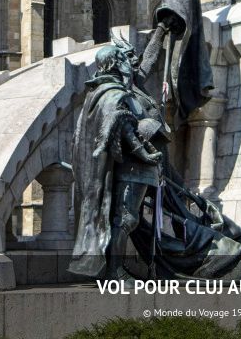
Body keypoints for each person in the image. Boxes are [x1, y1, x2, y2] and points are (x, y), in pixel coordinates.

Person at [69, 36, 169, 279]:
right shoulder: (112, 92)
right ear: (115, 62)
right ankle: (115, 272)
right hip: (133, 167)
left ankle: (116, 269)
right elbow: (121, 125)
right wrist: (145, 154)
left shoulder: (107, 90)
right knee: (126, 219)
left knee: (127, 219)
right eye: (124, 58)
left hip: (135, 166)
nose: (129, 62)